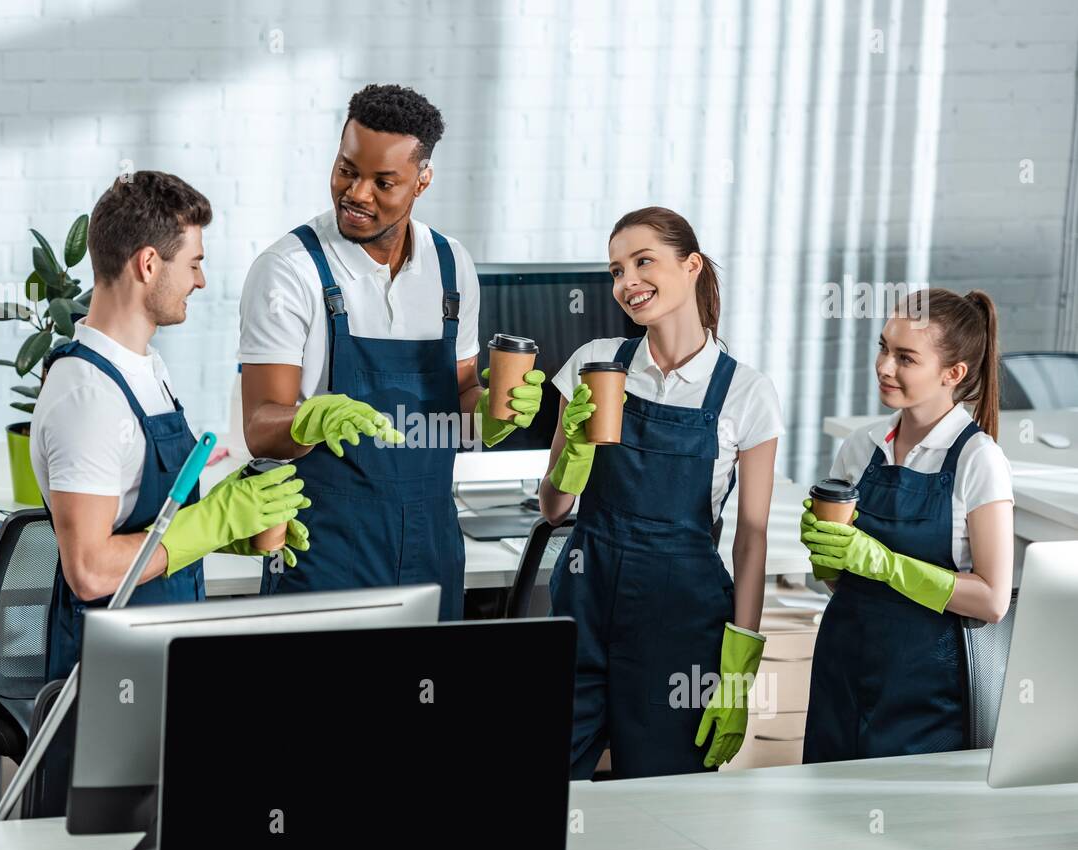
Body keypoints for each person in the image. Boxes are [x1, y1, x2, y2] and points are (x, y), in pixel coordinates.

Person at [237, 84, 543, 621]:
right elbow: (261, 426)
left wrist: (496, 414)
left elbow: (462, 401)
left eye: (383, 182)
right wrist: (316, 419)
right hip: (324, 547)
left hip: (432, 546)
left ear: (422, 180)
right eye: (345, 170)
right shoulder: (289, 269)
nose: (356, 193)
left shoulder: (451, 267)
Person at [32, 171, 310, 683]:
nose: (200, 281)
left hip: (160, 647)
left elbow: (149, 522)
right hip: (108, 673)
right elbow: (90, 570)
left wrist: (227, 530)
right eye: (195, 263)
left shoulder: (146, 369)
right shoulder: (88, 396)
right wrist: (212, 523)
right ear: (149, 263)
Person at [540, 207, 783, 779]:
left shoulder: (746, 393)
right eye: (616, 270)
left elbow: (750, 538)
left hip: (679, 625)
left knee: (667, 802)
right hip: (583, 605)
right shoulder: (595, 366)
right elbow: (553, 508)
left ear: (691, 264)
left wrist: (739, 669)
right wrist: (574, 450)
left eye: (642, 261)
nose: (627, 282)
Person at [801, 288, 1014, 762]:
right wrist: (826, 553)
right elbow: (838, 582)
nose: (884, 366)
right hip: (843, 664)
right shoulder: (861, 446)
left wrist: (885, 564)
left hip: (924, 686)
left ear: (952, 373)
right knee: (823, 817)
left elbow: (993, 599)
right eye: (883, 347)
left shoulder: (978, 460)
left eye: (905, 358)